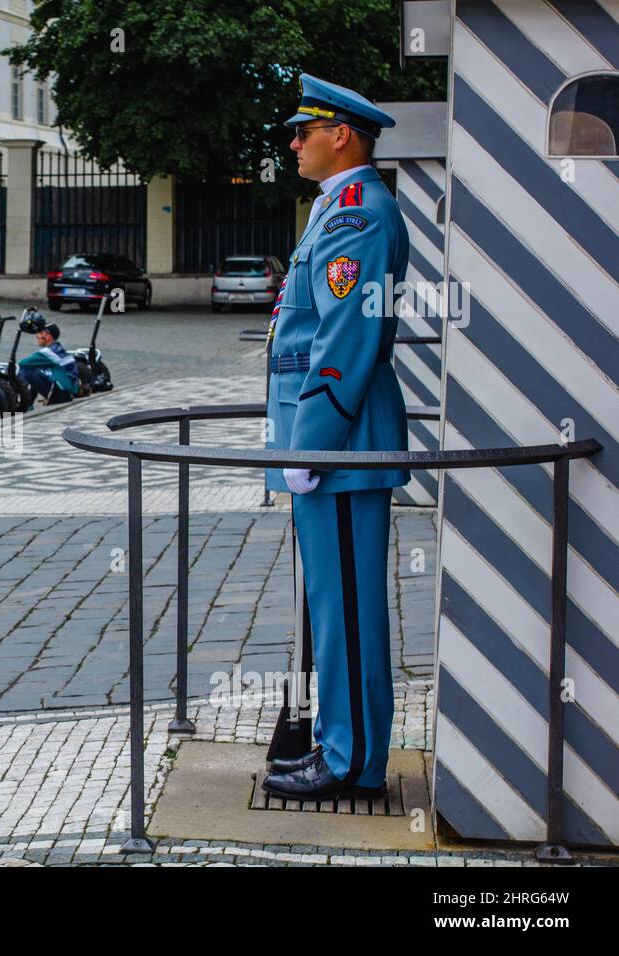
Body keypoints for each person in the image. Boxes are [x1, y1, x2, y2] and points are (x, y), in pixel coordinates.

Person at [260, 75, 410, 802]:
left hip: (340, 444)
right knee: (334, 602)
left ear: (339, 135)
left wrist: (310, 443)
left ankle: (352, 761)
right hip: (331, 442)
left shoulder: (358, 216)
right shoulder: (339, 211)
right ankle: (340, 744)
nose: (292, 143)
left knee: (346, 606)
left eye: (302, 131)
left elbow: (344, 338)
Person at [16, 322, 78, 409]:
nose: (37, 336)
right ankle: (29, 404)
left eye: (40, 333)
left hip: (61, 395)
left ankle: (25, 405)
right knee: (35, 370)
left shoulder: (49, 353)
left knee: (25, 371)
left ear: (48, 336)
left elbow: (22, 364)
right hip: (69, 393)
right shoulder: (58, 349)